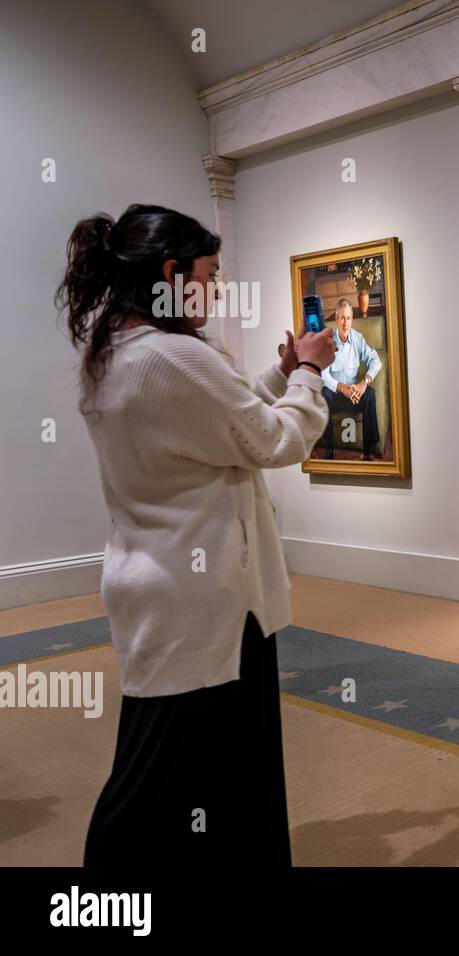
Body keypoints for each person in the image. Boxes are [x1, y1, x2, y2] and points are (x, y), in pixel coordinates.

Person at [57, 203, 337, 867]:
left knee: (193, 773)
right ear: (172, 272)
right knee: (171, 781)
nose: (215, 290)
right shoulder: (173, 356)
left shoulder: (113, 353)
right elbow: (272, 440)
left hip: (166, 587)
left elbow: (212, 427)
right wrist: (310, 373)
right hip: (205, 601)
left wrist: (278, 375)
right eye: (210, 275)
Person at [316, 298, 384, 460]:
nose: (345, 322)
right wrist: (342, 388)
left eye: (348, 318)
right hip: (337, 395)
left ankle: (367, 450)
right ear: (336, 319)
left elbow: (376, 360)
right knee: (324, 394)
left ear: (352, 320)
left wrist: (363, 383)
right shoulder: (328, 341)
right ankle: (329, 446)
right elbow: (323, 374)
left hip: (354, 395)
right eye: (342, 317)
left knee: (370, 394)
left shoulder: (358, 339)